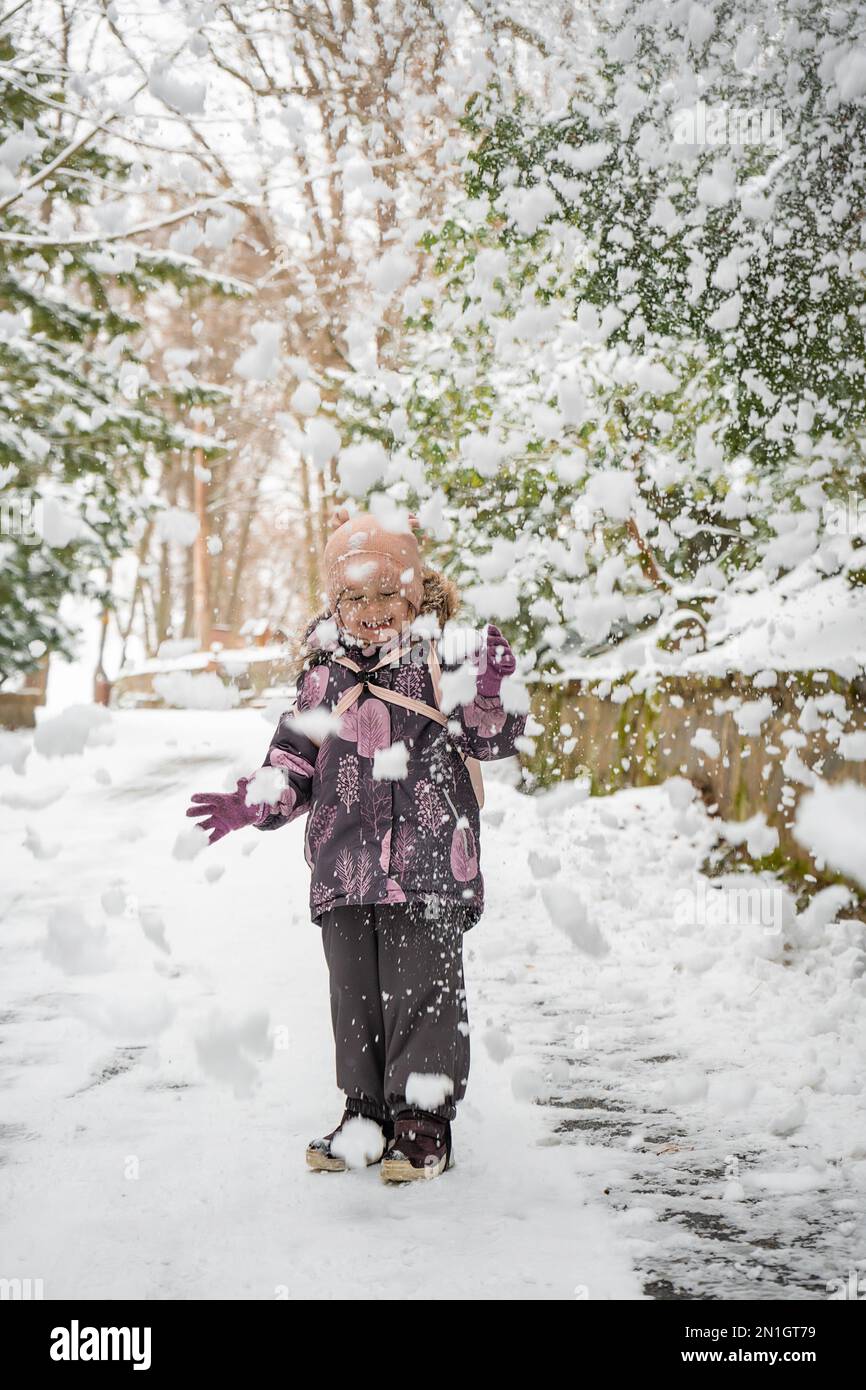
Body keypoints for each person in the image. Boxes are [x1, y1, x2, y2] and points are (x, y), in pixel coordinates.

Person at [186, 508, 526, 1181]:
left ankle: (424, 1120)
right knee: (356, 995)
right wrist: (255, 798)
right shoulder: (322, 672)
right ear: (335, 601)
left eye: (385, 592)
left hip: (430, 860)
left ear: (415, 591)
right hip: (343, 866)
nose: (371, 609)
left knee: (424, 992)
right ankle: (365, 1114)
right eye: (354, 596)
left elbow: (491, 739)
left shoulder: (443, 654)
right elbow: (296, 757)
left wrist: (490, 694)